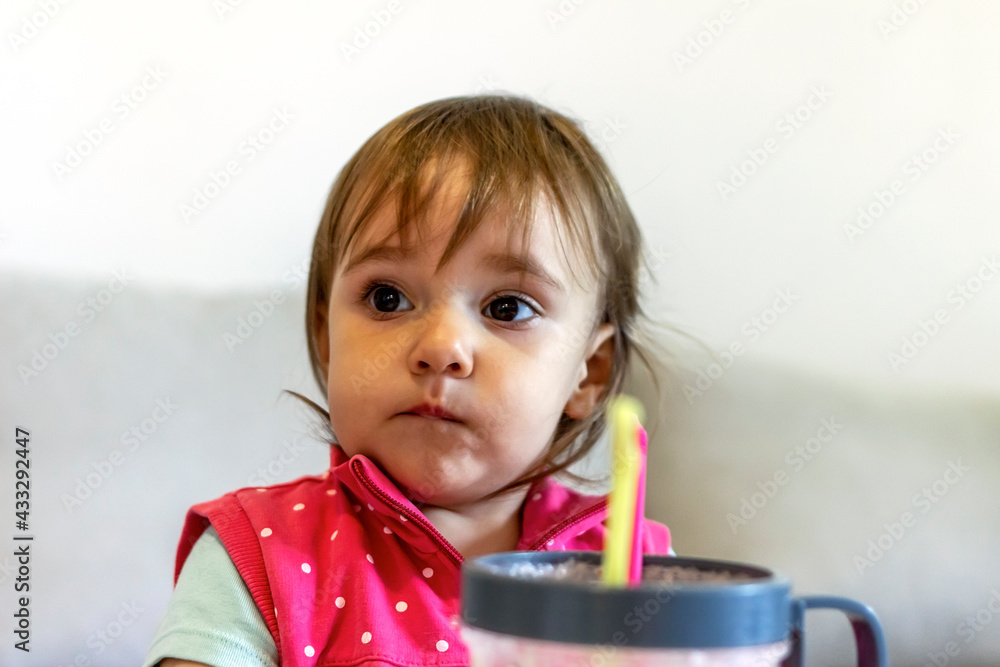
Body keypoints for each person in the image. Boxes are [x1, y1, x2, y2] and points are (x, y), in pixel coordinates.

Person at [144, 94, 672, 667]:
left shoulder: (635, 566)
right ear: (327, 336)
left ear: (586, 373)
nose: (441, 348)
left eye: (508, 308)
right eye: (387, 298)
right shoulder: (258, 554)